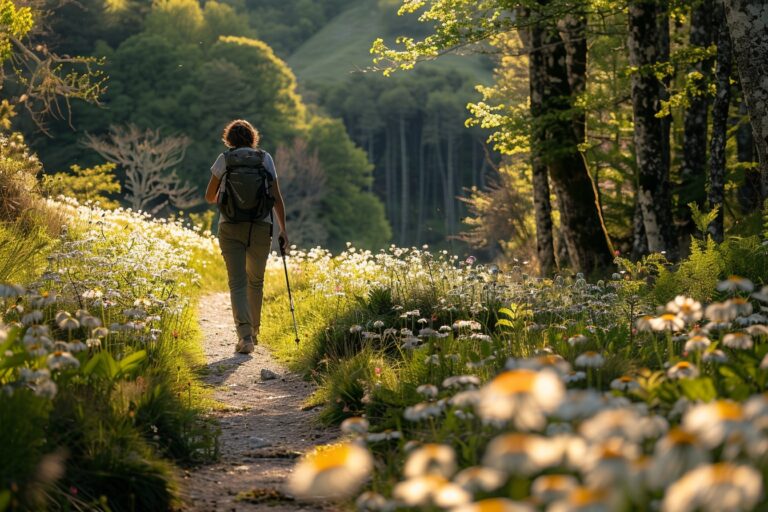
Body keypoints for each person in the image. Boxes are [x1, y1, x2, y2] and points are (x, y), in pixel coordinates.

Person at [204, 119, 289, 354]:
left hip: (230, 226)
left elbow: (209, 196)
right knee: (256, 281)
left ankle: (244, 337)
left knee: (237, 282)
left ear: (229, 138)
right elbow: (276, 197)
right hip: (261, 226)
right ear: (253, 138)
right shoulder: (265, 159)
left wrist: (226, 197)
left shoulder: (224, 159)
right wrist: (283, 229)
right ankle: (254, 332)